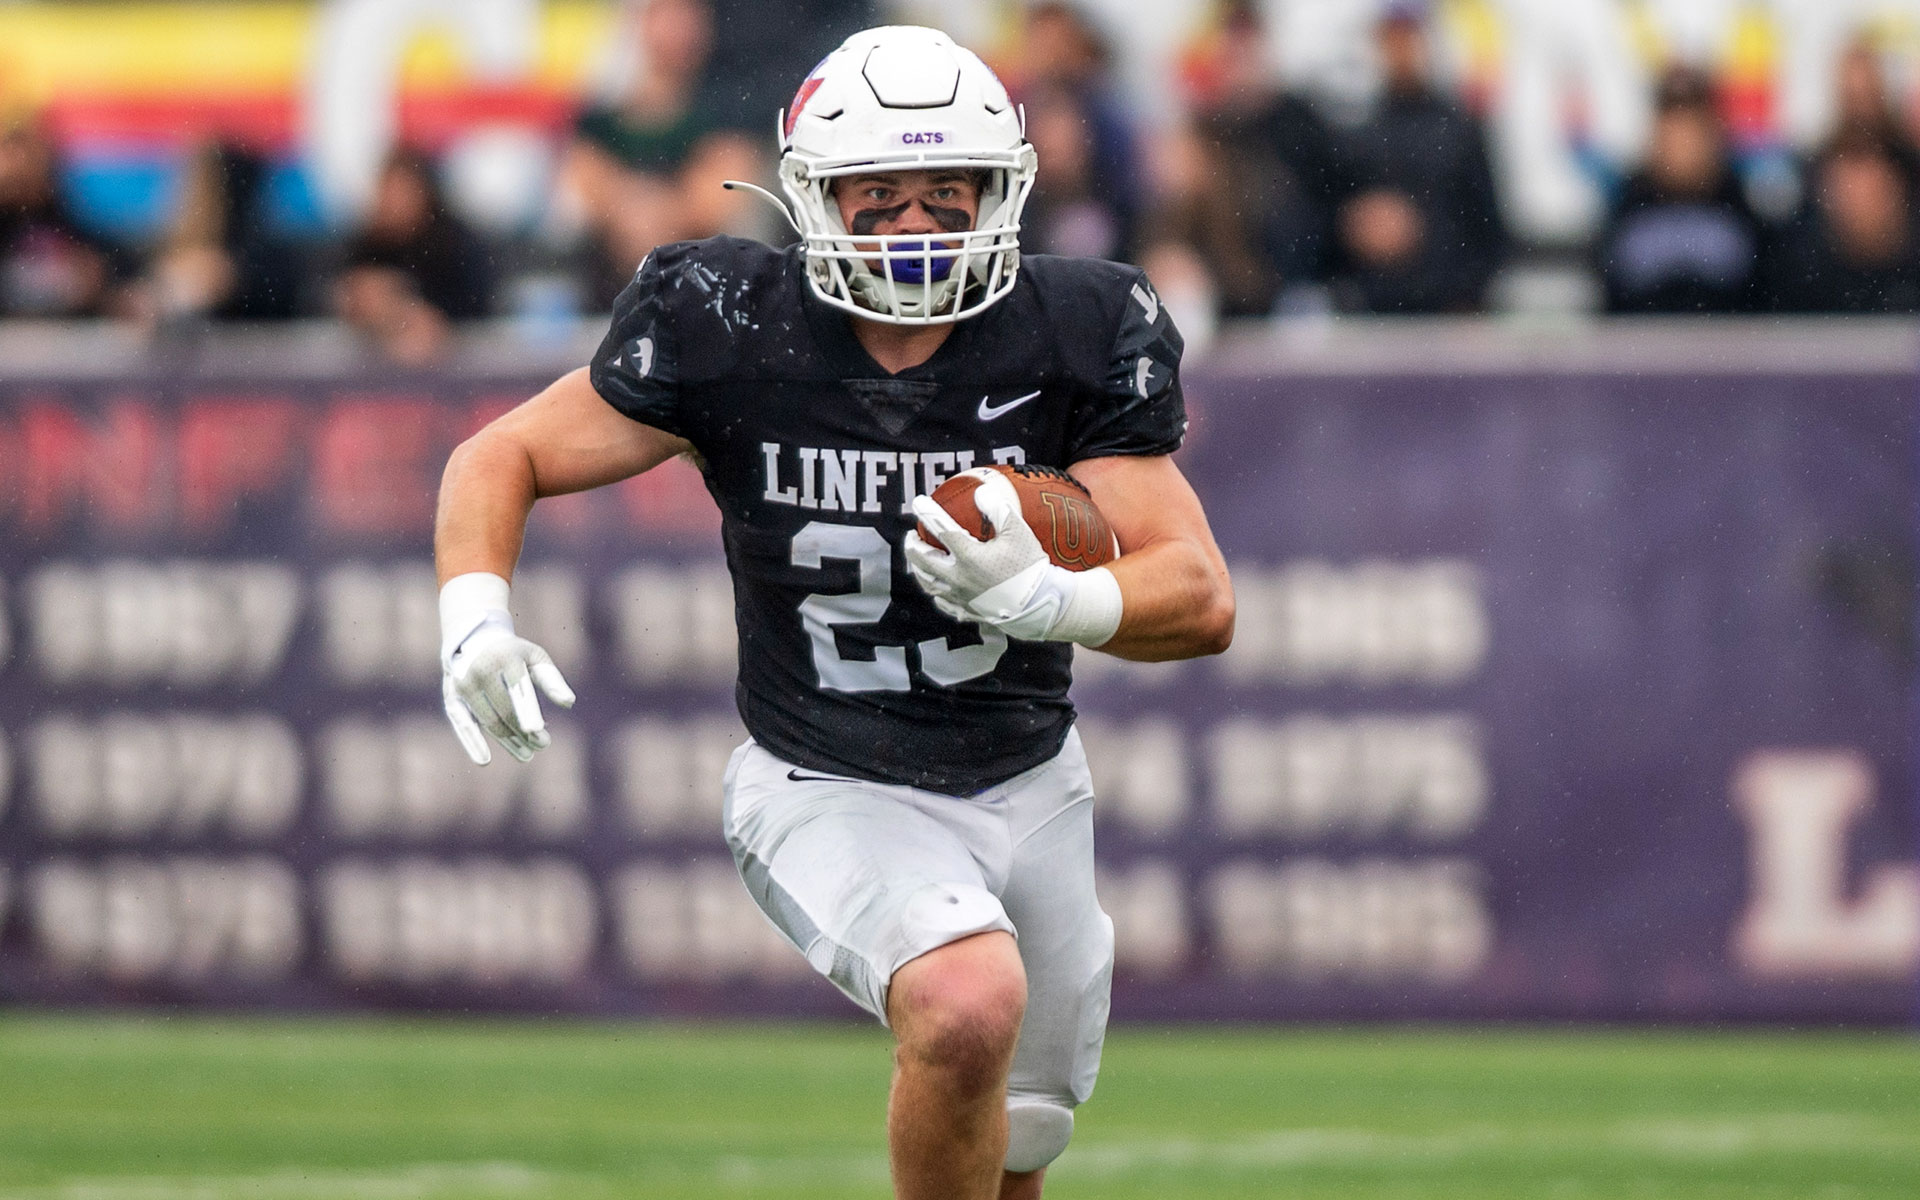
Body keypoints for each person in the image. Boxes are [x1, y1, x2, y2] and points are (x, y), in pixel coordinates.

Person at [433, 25, 1233, 1200]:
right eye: (882, 194)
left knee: (1022, 1145)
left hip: (1028, 778)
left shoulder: (1071, 327)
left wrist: (1062, 597)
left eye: (946, 190)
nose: (918, 224)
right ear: (815, 199)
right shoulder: (732, 319)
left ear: (1002, 189)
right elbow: (500, 454)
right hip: (828, 774)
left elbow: (1200, 594)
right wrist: (472, 613)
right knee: (967, 1004)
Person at [1327, 1, 1505, 313]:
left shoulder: (1460, 131)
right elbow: (1334, 235)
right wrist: (1359, 230)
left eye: (1408, 37)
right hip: (1377, 313)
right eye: (1391, 39)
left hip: (1448, 312)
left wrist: (1467, 299)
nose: (1401, 50)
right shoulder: (1358, 135)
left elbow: (1491, 232)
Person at [1598, 66, 1766, 313]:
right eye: (1672, 125)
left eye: (1691, 127)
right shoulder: (1629, 201)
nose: (1682, 140)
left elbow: (1763, 300)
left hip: (1724, 347)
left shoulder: (1741, 202)